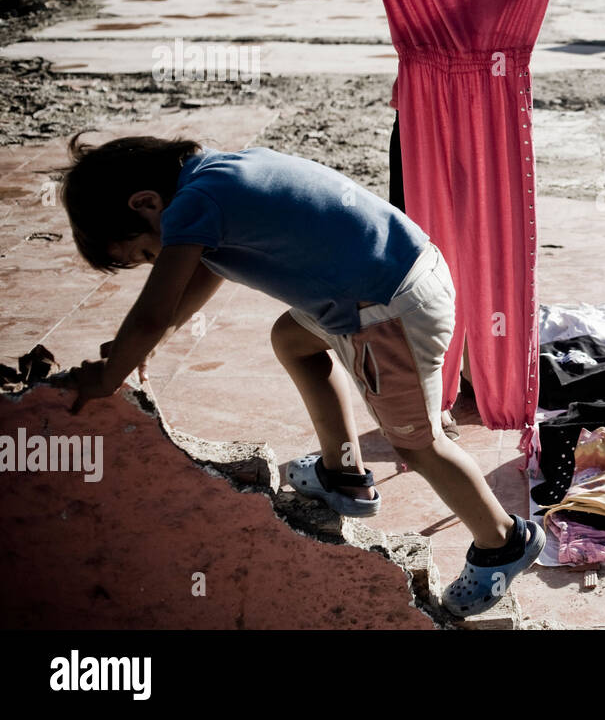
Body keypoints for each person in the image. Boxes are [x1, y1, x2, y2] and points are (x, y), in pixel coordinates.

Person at [60, 134, 540, 618]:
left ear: (145, 203)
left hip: (386, 313)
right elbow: (200, 277)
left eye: (147, 254)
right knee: (291, 340)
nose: (155, 262)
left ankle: (502, 540)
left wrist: (107, 375)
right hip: (395, 282)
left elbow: (151, 312)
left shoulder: (191, 206)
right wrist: (145, 346)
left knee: (419, 442)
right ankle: (344, 473)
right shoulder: (217, 175)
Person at [297, 0, 605, 433]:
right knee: (419, 250)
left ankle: (485, 380)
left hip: (496, 97)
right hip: (421, 107)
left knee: (493, 243)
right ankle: (429, 382)